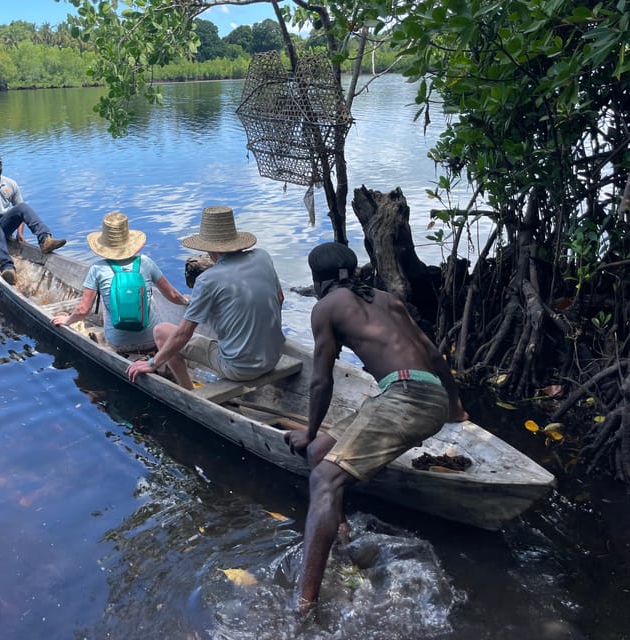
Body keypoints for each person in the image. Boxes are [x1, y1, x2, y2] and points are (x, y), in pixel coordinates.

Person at [285, 242, 468, 616]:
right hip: (425, 392)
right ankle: (340, 533)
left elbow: (321, 381)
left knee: (322, 477)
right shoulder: (386, 299)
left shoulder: (325, 307)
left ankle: (304, 604)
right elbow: (432, 353)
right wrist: (455, 406)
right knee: (322, 452)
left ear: (318, 282)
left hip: (405, 397)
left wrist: (308, 429)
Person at [126, 205, 285, 389]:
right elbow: (279, 298)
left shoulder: (207, 280)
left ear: (210, 250)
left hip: (239, 369)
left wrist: (152, 363)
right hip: (273, 357)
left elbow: (184, 334)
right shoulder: (262, 257)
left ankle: (189, 392)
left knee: (161, 332)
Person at [51, 211, 189, 352]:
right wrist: (185, 301)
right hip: (152, 339)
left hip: (118, 344)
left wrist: (67, 321)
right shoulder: (146, 262)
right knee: (149, 294)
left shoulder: (97, 268)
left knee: (109, 296)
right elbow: (172, 295)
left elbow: (83, 310)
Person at [0, 150, 66, 286]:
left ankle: (45, 240)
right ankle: (8, 268)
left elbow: (19, 209)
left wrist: (19, 233)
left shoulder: (10, 184)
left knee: (23, 207)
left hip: (1, 223)